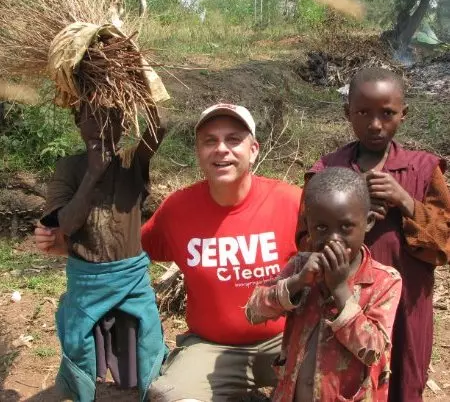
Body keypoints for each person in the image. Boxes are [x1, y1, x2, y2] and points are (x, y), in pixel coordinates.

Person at [35, 102, 303, 401]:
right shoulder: (179, 209)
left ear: (253, 149)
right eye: (210, 141)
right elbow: (127, 252)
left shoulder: (292, 202)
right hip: (211, 347)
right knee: (169, 396)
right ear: (199, 152)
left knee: (324, 380)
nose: (221, 149)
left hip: (284, 340)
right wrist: (64, 247)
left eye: (233, 139)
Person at [301, 68, 450, 402]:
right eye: (363, 113)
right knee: (342, 384)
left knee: (402, 382)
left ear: (404, 113)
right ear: (347, 113)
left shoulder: (423, 170)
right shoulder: (326, 171)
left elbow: (443, 244)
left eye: (387, 113)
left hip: (406, 311)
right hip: (340, 308)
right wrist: (351, 222)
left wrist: (406, 201)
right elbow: (304, 240)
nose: (375, 124)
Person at [38, 101, 167, 402]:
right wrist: (92, 174)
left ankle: (148, 388)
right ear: (77, 123)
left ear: (123, 125)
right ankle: (80, 388)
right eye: (91, 118)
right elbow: (65, 225)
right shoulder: (69, 167)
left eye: (112, 117)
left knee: (147, 345)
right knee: (79, 344)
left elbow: (159, 125)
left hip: (130, 280)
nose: (102, 126)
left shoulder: (132, 161)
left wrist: (143, 84)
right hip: (87, 281)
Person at [245, 167, 402, 402]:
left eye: (346, 227)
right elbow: (253, 311)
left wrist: (340, 290)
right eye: (321, 228)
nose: (333, 239)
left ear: (368, 222)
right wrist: (297, 283)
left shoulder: (384, 281)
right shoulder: (300, 267)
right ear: (307, 224)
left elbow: (373, 351)